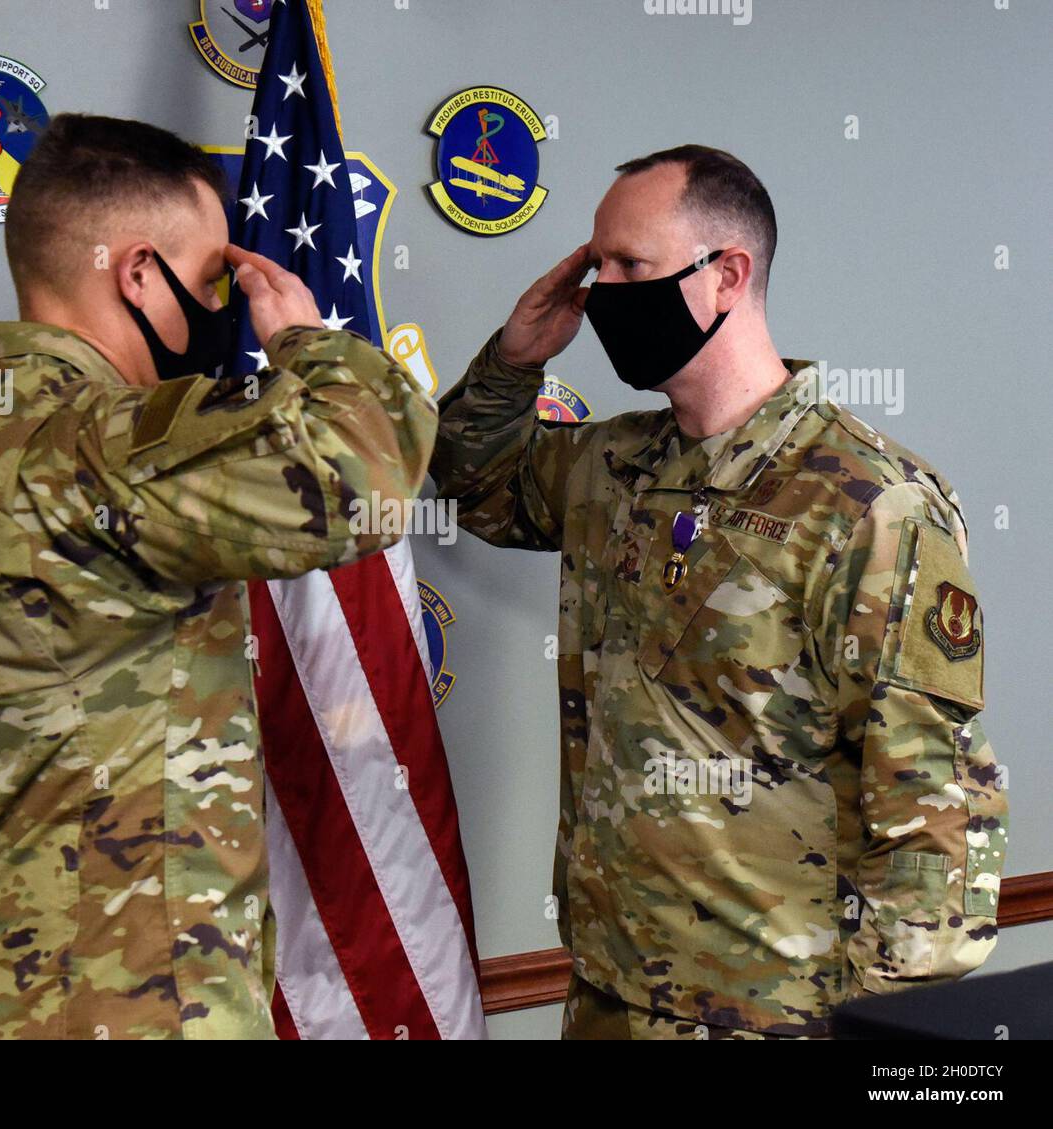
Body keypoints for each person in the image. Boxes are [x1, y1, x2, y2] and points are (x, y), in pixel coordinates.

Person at [0, 113, 436, 1039]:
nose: (226, 307)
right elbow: (367, 474)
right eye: (217, 278)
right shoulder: (124, 442)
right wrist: (308, 340)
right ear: (138, 272)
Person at [431, 144, 1006, 1040]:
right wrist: (514, 360)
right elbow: (473, 479)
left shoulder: (867, 502)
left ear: (728, 275)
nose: (605, 291)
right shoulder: (613, 463)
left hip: (776, 1013)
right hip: (610, 988)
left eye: (630, 266)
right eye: (596, 264)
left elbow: (936, 808)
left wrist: (886, 1042)